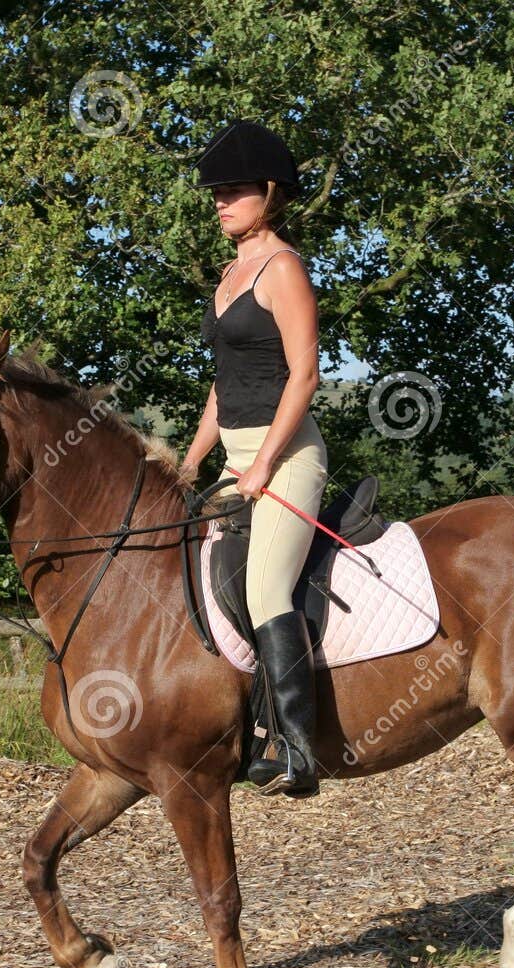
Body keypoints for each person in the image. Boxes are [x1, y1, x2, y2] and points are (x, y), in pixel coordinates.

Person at [178, 119, 328, 800]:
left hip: (288, 456)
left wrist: (265, 464)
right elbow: (223, 388)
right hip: (237, 456)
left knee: (267, 588)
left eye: (233, 189)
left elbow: (304, 375)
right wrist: (187, 465)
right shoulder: (229, 274)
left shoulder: (282, 267)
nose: (220, 200)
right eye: (215, 190)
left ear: (270, 193)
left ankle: (298, 748)